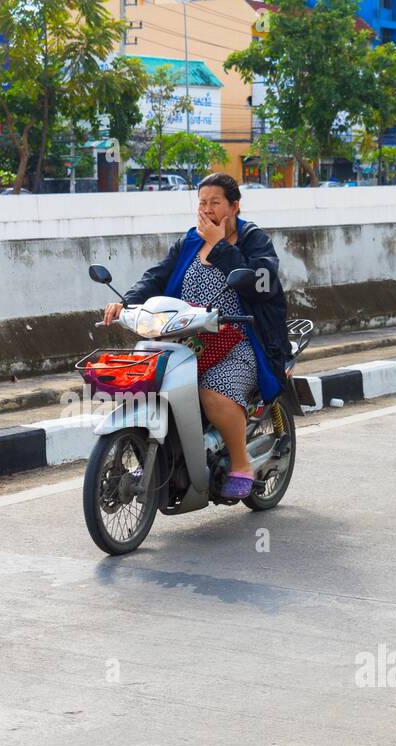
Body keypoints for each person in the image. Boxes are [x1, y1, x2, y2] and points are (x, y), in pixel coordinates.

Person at [102, 172, 288, 500]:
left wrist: (218, 245)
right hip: (185, 339)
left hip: (241, 340)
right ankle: (160, 454)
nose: (207, 209)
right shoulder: (189, 241)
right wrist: (126, 302)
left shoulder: (253, 241)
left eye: (215, 202)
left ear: (235, 206)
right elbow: (157, 277)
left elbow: (263, 283)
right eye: (202, 202)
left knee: (212, 393)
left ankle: (241, 464)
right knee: (150, 386)